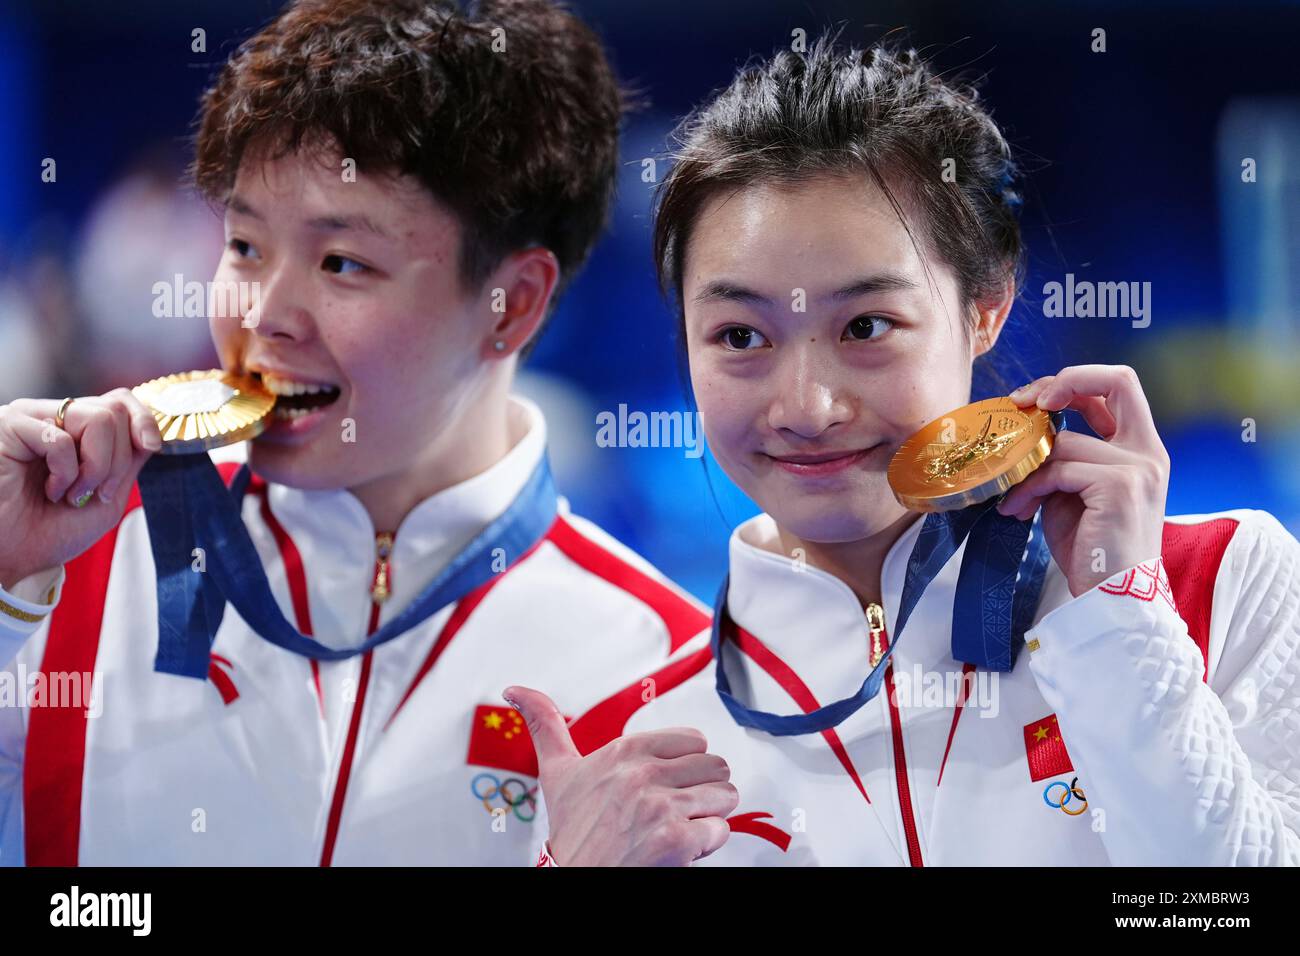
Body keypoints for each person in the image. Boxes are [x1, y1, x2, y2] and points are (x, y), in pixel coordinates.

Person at [508, 37, 1300, 866]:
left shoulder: (1219, 584)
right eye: (740, 335)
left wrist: (1119, 624)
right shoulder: (626, 747)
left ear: (986, 305)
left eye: (866, 328)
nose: (806, 408)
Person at [0, 0, 708, 866]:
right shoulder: (65, 559)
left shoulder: (665, 672)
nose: (263, 315)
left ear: (511, 303)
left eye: (342, 263)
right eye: (245, 244)